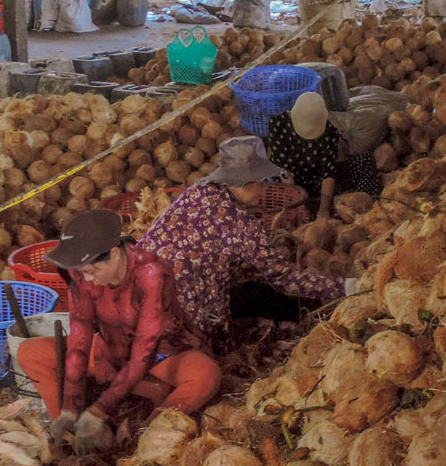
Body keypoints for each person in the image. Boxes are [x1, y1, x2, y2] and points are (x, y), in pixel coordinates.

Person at [16, 209, 221, 450]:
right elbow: (80, 335)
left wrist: (98, 412)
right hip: (109, 347)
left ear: (114, 254)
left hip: (163, 352)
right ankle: (63, 435)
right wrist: (69, 409)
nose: (88, 280)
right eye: (83, 273)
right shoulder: (82, 270)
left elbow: (143, 351)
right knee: (30, 352)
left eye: (93, 272)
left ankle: (148, 438)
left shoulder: (153, 275)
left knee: (206, 375)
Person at [140, 136, 349, 338]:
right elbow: (284, 279)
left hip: (138, 295)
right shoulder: (241, 225)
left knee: (247, 288)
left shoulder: (196, 191)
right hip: (180, 319)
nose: (264, 188)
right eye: (260, 182)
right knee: (255, 296)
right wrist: (344, 287)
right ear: (244, 182)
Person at [264, 91, 384, 218]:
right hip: (289, 184)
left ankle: (360, 207)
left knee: (365, 160)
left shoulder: (330, 131)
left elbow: (329, 172)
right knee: (266, 185)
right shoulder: (278, 124)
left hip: (318, 182)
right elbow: (284, 170)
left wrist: (324, 209)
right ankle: (303, 205)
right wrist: (298, 205)